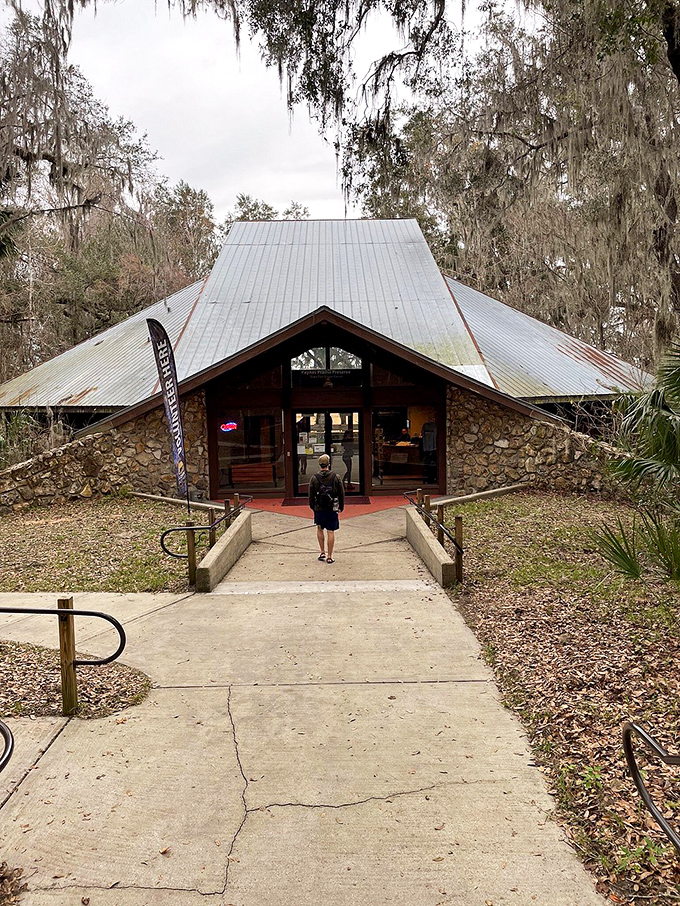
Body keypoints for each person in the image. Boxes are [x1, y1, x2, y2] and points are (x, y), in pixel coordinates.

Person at [309, 453, 345, 563]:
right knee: (331, 531)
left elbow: (311, 495)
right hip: (332, 508)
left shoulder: (314, 478)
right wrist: (341, 506)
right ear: (328, 464)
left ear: (320, 464)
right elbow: (341, 493)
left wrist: (313, 507)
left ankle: (322, 552)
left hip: (319, 508)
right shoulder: (336, 477)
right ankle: (330, 556)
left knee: (320, 528)